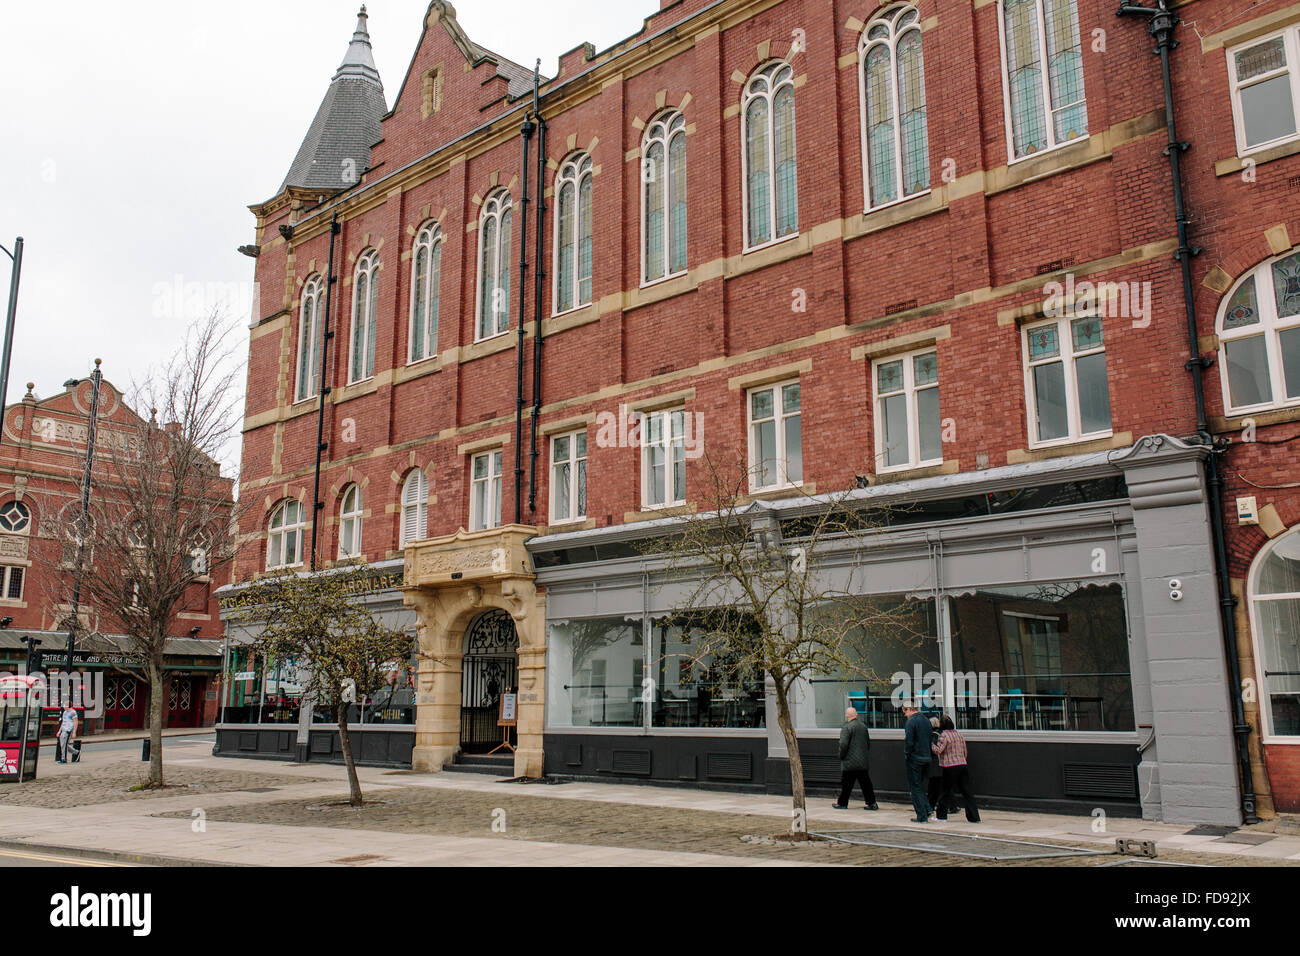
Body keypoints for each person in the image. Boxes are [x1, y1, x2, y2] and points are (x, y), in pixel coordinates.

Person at [932, 714, 981, 822]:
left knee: (946, 791)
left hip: (949, 766)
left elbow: (939, 750)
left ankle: (941, 816)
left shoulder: (944, 735)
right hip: (962, 764)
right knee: (967, 792)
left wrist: (931, 745)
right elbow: (965, 751)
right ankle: (974, 817)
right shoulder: (959, 734)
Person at [833, 706, 878, 810]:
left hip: (849, 762)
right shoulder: (863, 726)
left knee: (846, 784)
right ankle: (872, 803)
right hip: (862, 761)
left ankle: (842, 803)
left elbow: (843, 744)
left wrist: (841, 755)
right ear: (856, 715)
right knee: (866, 783)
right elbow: (867, 742)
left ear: (847, 716)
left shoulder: (847, 727)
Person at [901, 701, 933, 822]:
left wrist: (907, 754)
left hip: (915, 757)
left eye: (905, 712)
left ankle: (922, 815)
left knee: (915, 787)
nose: (905, 715)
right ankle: (927, 808)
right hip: (926, 756)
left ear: (909, 709)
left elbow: (909, 741)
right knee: (919, 785)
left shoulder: (911, 721)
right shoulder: (926, 720)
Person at [56, 700, 78, 764]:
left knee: (64, 745)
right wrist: (59, 731)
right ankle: (76, 752)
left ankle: (64, 759)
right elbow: (63, 722)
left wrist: (74, 732)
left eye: (65, 705)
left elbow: (75, 722)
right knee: (63, 745)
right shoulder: (65, 712)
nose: (63, 706)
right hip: (63, 730)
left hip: (68, 730)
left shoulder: (73, 712)